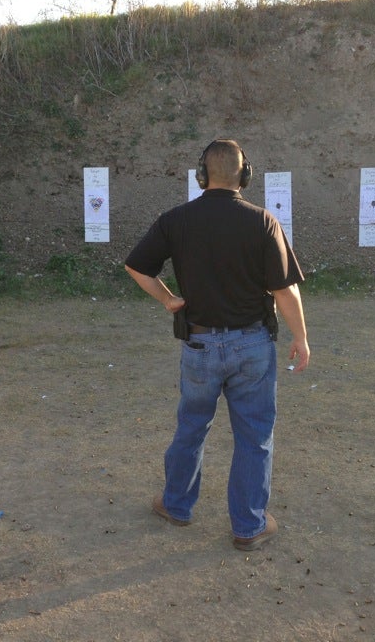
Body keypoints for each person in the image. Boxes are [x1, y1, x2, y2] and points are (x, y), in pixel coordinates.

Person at [124, 138, 310, 551]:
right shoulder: (263, 221)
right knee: (254, 436)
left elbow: (136, 266)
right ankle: (248, 526)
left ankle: (176, 505)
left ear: (201, 176)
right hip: (253, 345)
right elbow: (285, 291)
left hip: (199, 344)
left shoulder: (176, 220)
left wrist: (169, 300)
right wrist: (301, 337)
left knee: (191, 426)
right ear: (244, 176)